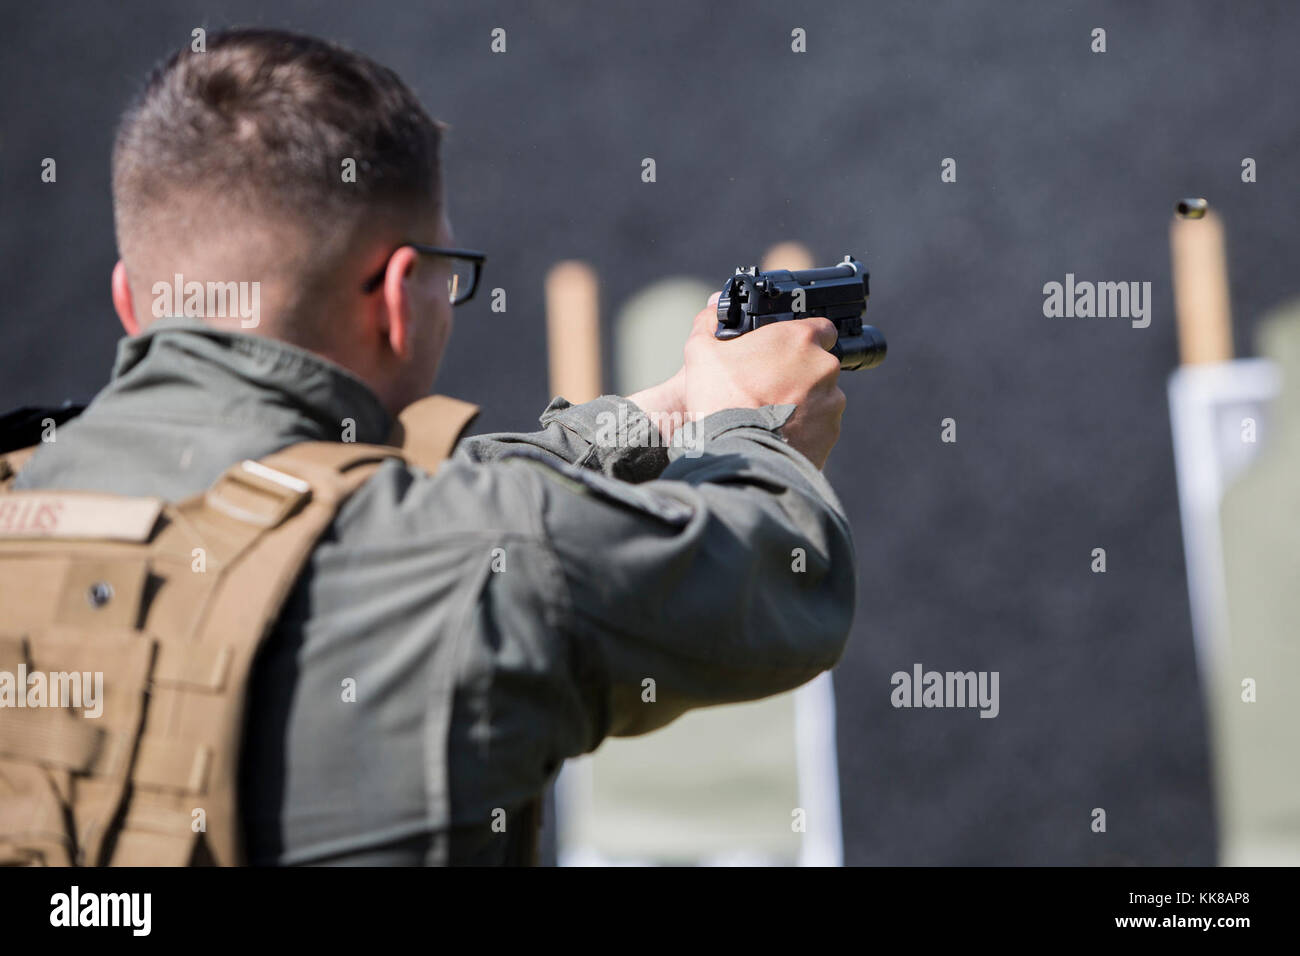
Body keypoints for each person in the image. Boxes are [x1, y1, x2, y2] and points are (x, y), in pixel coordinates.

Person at [0, 28, 855, 865]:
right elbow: (778, 579)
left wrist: (655, 420)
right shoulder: (476, 560)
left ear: (132, 301)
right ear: (400, 299)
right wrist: (754, 423)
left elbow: (305, 504)